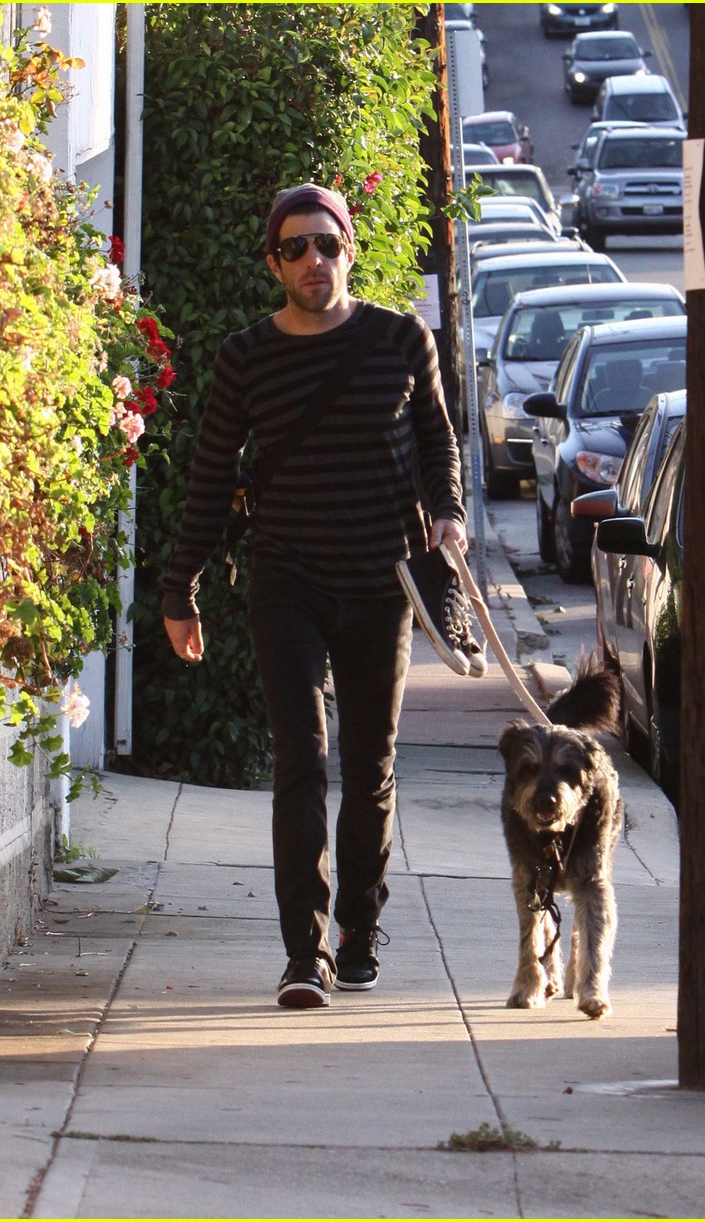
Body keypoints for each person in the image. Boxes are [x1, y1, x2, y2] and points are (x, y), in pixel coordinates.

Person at [161, 182, 478, 1009]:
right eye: (295, 248)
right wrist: (180, 588)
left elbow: (439, 442)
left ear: (349, 250)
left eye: (326, 244)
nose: (313, 260)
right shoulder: (246, 357)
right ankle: (305, 955)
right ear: (273, 264)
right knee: (300, 760)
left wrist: (447, 514)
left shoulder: (400, 338)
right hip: (287, 580)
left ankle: (358, 931)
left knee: (370, 765)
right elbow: (211, 477)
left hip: (383, 579)